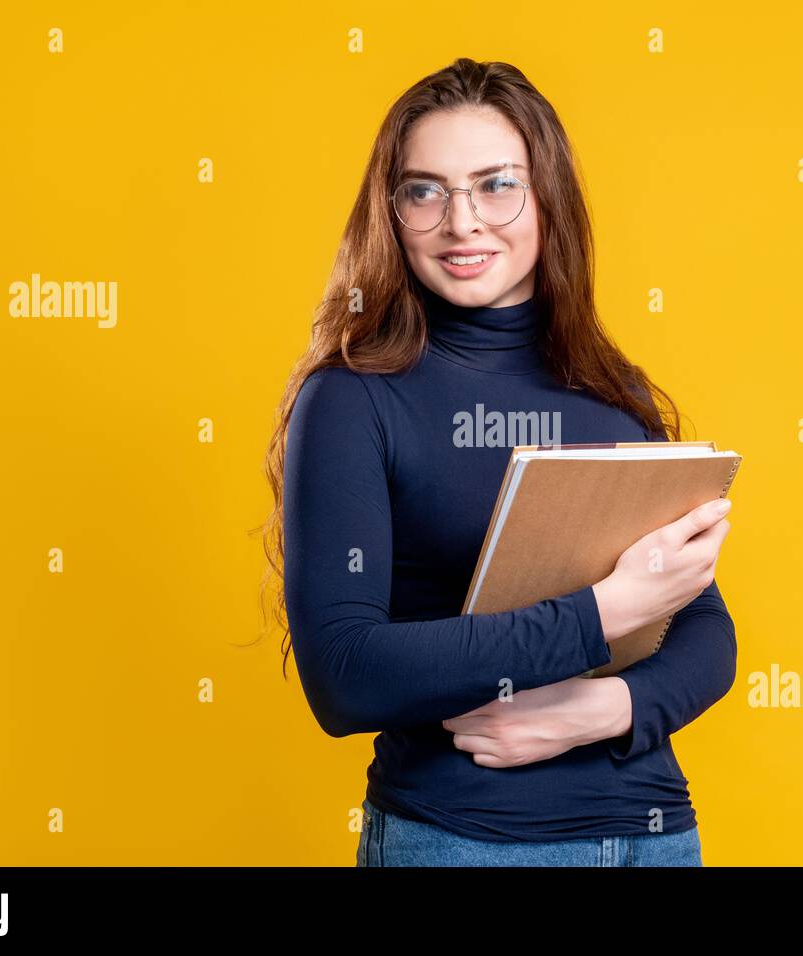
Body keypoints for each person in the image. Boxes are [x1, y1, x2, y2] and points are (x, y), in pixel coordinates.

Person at [261, 57, 737, 866]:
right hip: (466, 841)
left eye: (495, 185)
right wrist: (597, 615)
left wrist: (599, 709)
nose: (462, 222)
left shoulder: (610, 391)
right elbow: (345, 676)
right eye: (425, 190)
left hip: (656, 836)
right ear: (392, 212)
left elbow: (703, 631)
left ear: (546, 197)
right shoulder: (351, 400)